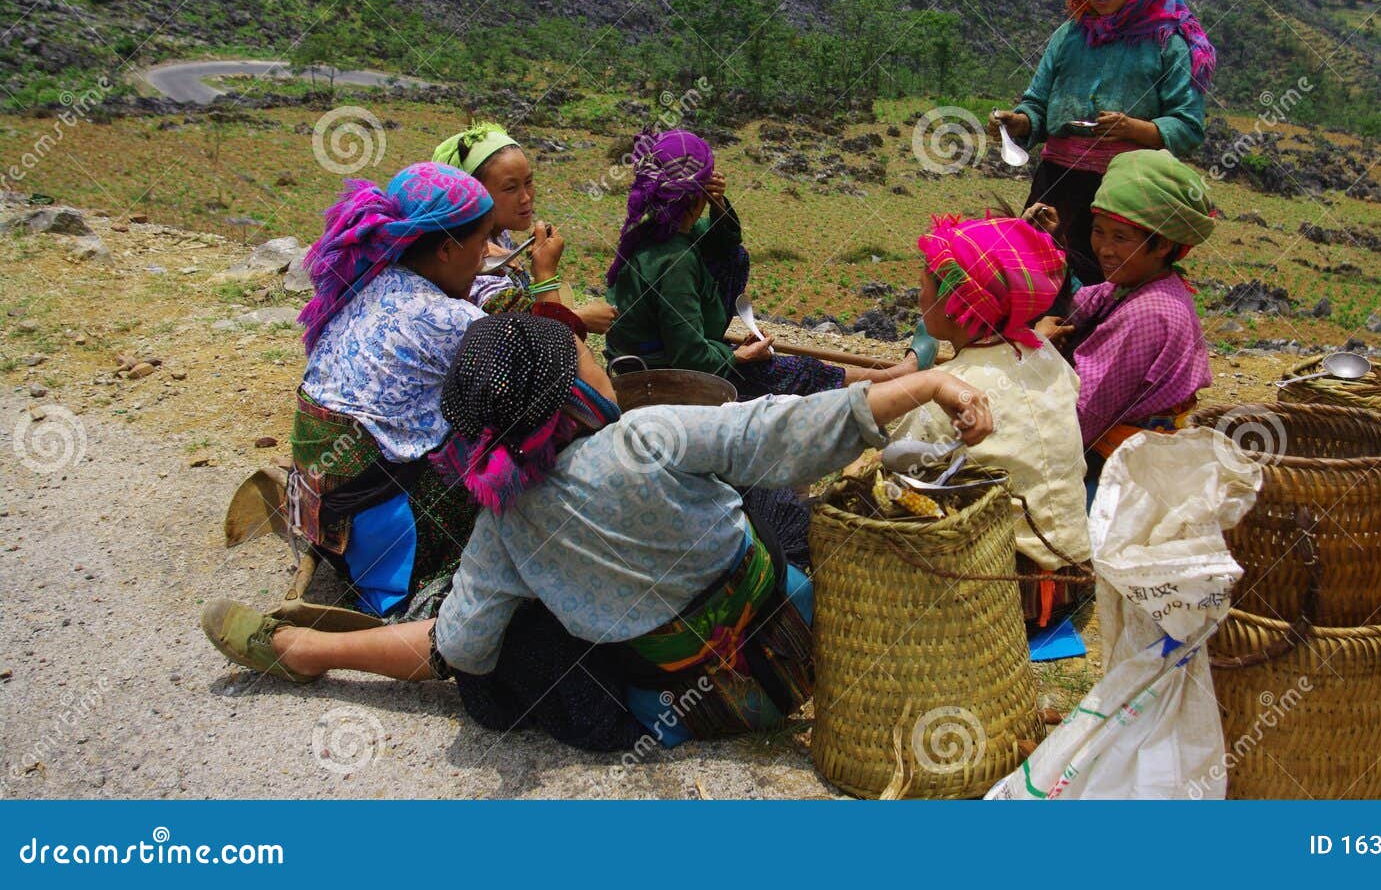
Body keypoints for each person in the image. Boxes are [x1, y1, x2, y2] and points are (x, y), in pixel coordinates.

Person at [201, 313, 992, 750]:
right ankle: (309, 647)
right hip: (800, 643)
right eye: (586, 354)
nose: (599, 360)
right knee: (767, 496)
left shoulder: (504, 525)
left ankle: (306, 649)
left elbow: (463, 649)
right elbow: (787, 430)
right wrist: (924, 379)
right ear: (576, 387)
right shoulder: (651, 437)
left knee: (502, 650)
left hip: (689, 712)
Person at [286, 161, 500, 619]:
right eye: (483, 241)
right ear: (446, 249)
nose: (487, 254)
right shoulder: (454, 320)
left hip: (321, 485)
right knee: (500, 447)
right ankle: (406, 589)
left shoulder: (367, 281)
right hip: (374, 506)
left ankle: (330, 543)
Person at [989, 0, 1214, 297]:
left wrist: (1133, 129)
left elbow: (1187, 125)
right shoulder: (1070, 35)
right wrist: (1018, 122)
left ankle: (1101, 357)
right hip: (1057, 182)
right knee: (1037, 276)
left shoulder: (1168, 42)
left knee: (1104, 286)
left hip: (1127, 194)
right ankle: (1043, 355)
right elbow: (1038, 103)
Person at [885, 214, 1090, 627]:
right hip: (1076, 576)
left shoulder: (951, 389)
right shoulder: (1045, 357)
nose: (919, 294)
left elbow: (896, 464)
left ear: (954, 301)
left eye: (926, 283)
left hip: (1008, 592)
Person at [604, 128, 916, 398]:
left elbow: (726, 245)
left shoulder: (654, 227)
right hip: (660, 375)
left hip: (652, 356)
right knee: (794, 370)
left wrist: (719, 204)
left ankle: (718, 343)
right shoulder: (676, 261)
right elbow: (690, 358)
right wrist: (736, 356)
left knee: (733, 258)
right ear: (695, 194)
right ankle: (893, 377)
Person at [1039, 150, 1216, 505]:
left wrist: (1036, 352)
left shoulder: (1147, 314)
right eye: (1098, 232)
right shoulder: (1140, 284)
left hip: (1122, 476)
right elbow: (1082, 303)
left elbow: (1082, 421)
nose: (1104, 249)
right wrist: (1047, 245)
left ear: (1163, 244)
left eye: (1120, 238)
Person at [432, 122, 616, 334]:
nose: (526, 198)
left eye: (528, 182)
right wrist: (575, 314)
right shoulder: (471, 260)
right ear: (473, 195)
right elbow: (525, 337)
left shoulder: (499, 237)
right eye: (510, 188)